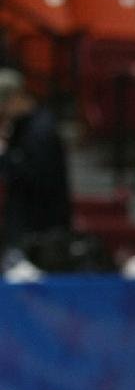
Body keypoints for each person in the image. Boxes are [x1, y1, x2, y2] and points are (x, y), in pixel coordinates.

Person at [0, 68, 72, 263]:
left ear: (16, 98)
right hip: (24, 225)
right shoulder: (20, 126)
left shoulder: (41, 130)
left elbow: (38, 178)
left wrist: (5, 155)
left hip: (41, 230)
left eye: (4, 105)